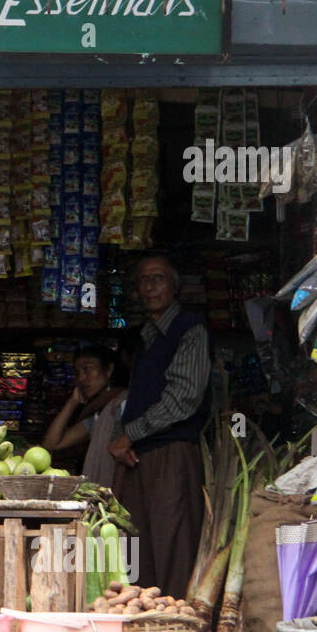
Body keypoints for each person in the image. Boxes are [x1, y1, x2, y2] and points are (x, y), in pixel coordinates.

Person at [107, 253, 212, 600]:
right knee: (139, 553)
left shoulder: (190, 328)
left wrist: (130, 434)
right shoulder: (146, 337)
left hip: (172, 456)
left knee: (174, 548)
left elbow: (184, 397)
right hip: (141, 458)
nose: (150, 286)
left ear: (176, 287)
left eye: (159, 278)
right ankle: (147, 629)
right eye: (143, 280)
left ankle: (177, 630)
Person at [42, 346, 126, 490]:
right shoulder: (98, 416)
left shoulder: (122, 404)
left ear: (109, 370)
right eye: (77, 372)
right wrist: (73, 401)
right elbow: (51, 444)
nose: (81, 378)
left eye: (87, 369)